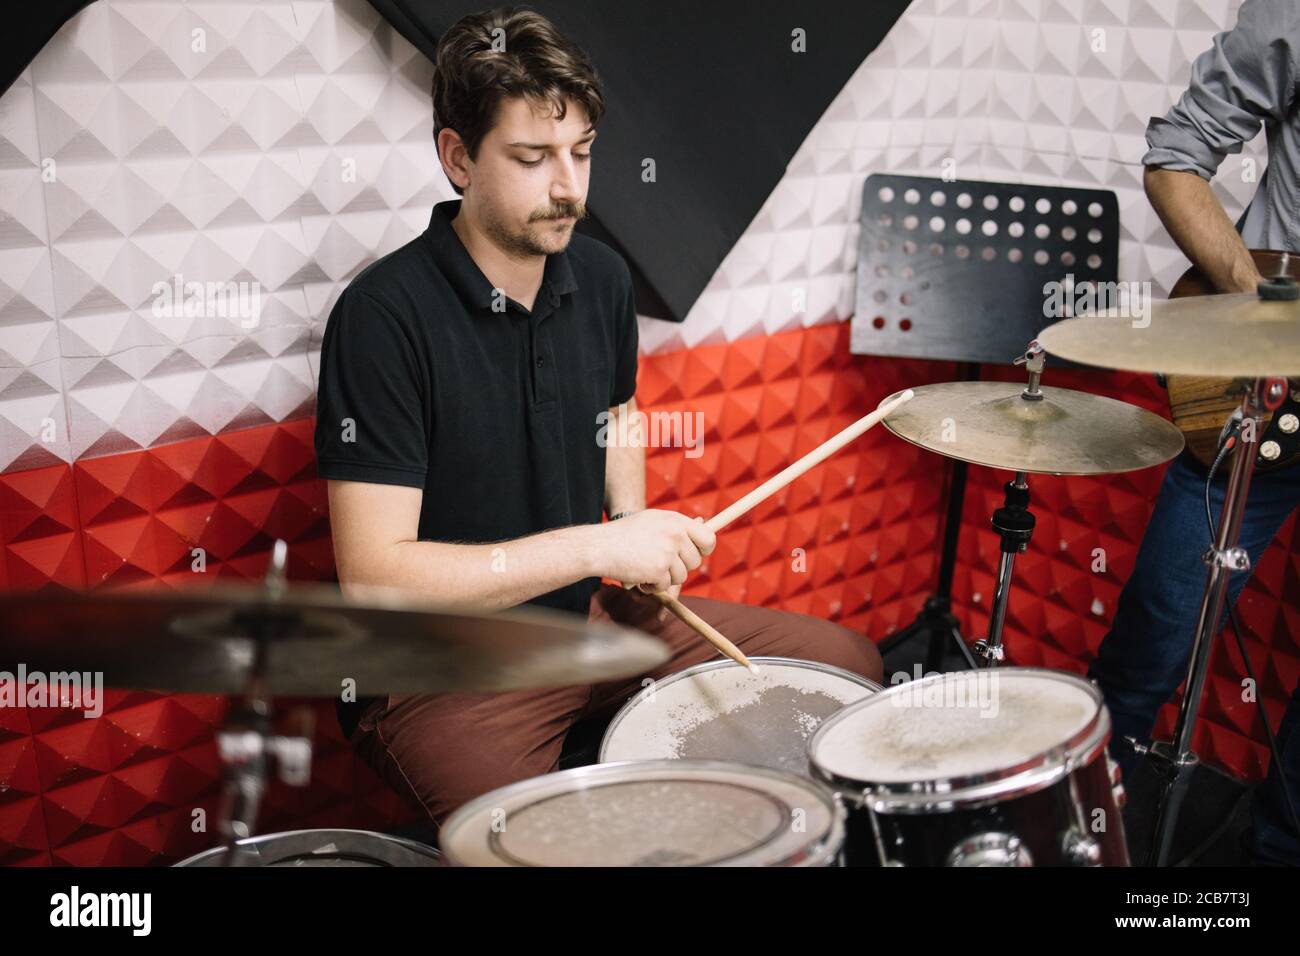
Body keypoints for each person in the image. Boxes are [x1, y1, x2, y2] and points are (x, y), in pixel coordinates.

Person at [312, 7, 881, 833]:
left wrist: (629, 520)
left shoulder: (604, 278)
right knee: (554, 843)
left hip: (588, 620)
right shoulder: (381, 317)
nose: (569, 187)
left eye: (581, 153)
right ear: (458, 158)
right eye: (533, 158)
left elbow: (618, 415)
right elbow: (376, 580)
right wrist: (597, 546)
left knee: (849, 670)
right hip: (443, 670)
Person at [1087, 0, 1300, 865]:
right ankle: (1090, 817)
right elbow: (1177, 156)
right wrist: (1263, 316)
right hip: (1261, 384)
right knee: (1160, 621)